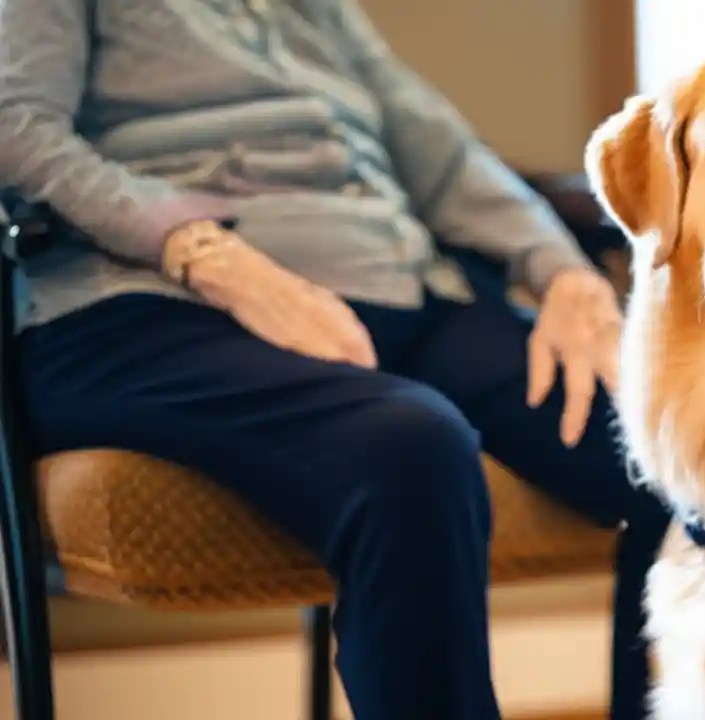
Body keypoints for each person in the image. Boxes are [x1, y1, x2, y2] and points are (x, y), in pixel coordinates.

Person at [0, 0, 666, 717]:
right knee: (412, 445)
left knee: (670, 442)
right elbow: (15, 127)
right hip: (154, 301)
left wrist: (559, 270)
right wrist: (201, 251)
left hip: (398, 283)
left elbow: (440, 150)